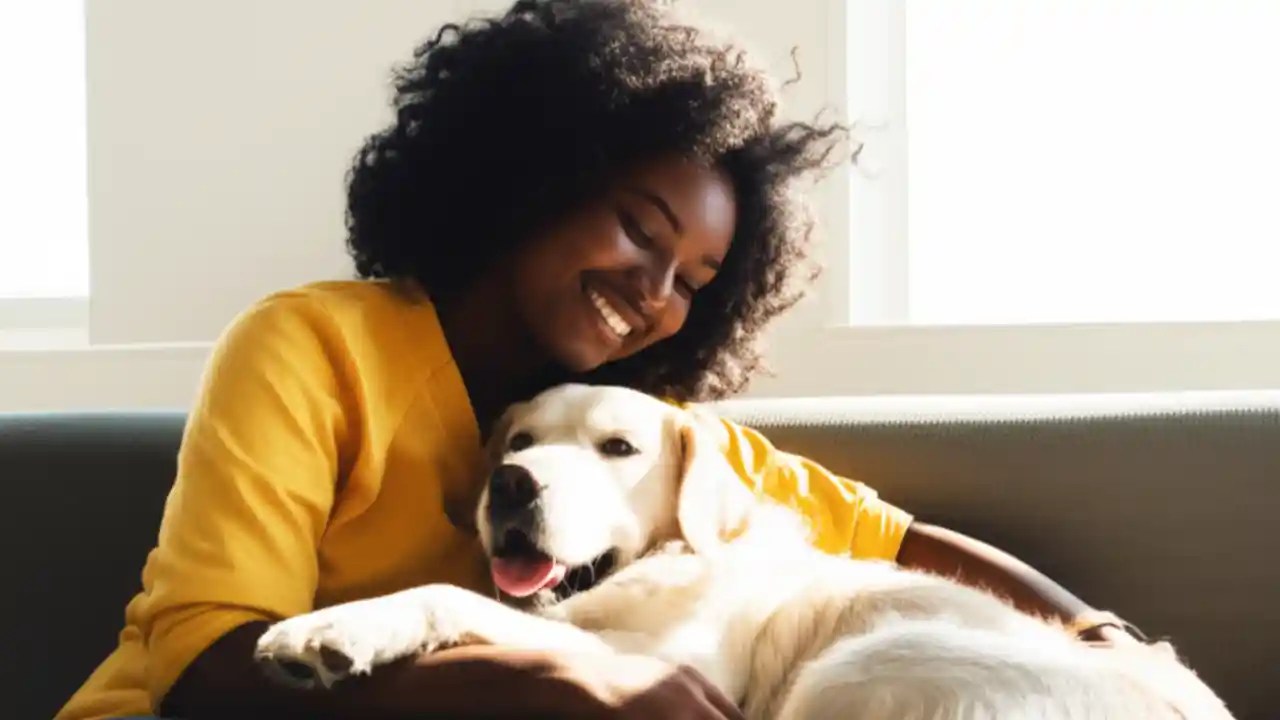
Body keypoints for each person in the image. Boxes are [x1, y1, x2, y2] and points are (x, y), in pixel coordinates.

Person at [57, 2, 1142, 719]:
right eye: (637, 228)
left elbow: (890, 537)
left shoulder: (636, 432)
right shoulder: (312, 343)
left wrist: (1114, 651)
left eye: (692, 280)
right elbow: (201, 666)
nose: (655, 292)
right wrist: (542, 674)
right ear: (533, 177)